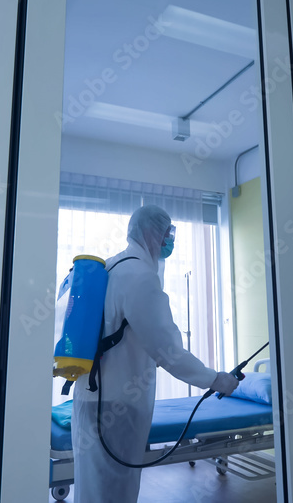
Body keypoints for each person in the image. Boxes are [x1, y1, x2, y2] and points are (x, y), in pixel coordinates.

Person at [71, 205, 239, 503]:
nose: (169, 240)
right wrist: (216, 380)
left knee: (92, 488)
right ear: (152, 233)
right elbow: (168, 351)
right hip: (116, 405)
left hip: (88, 397)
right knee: (115, 490)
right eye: (167, 233)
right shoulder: (140, 277)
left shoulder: (112, 265)